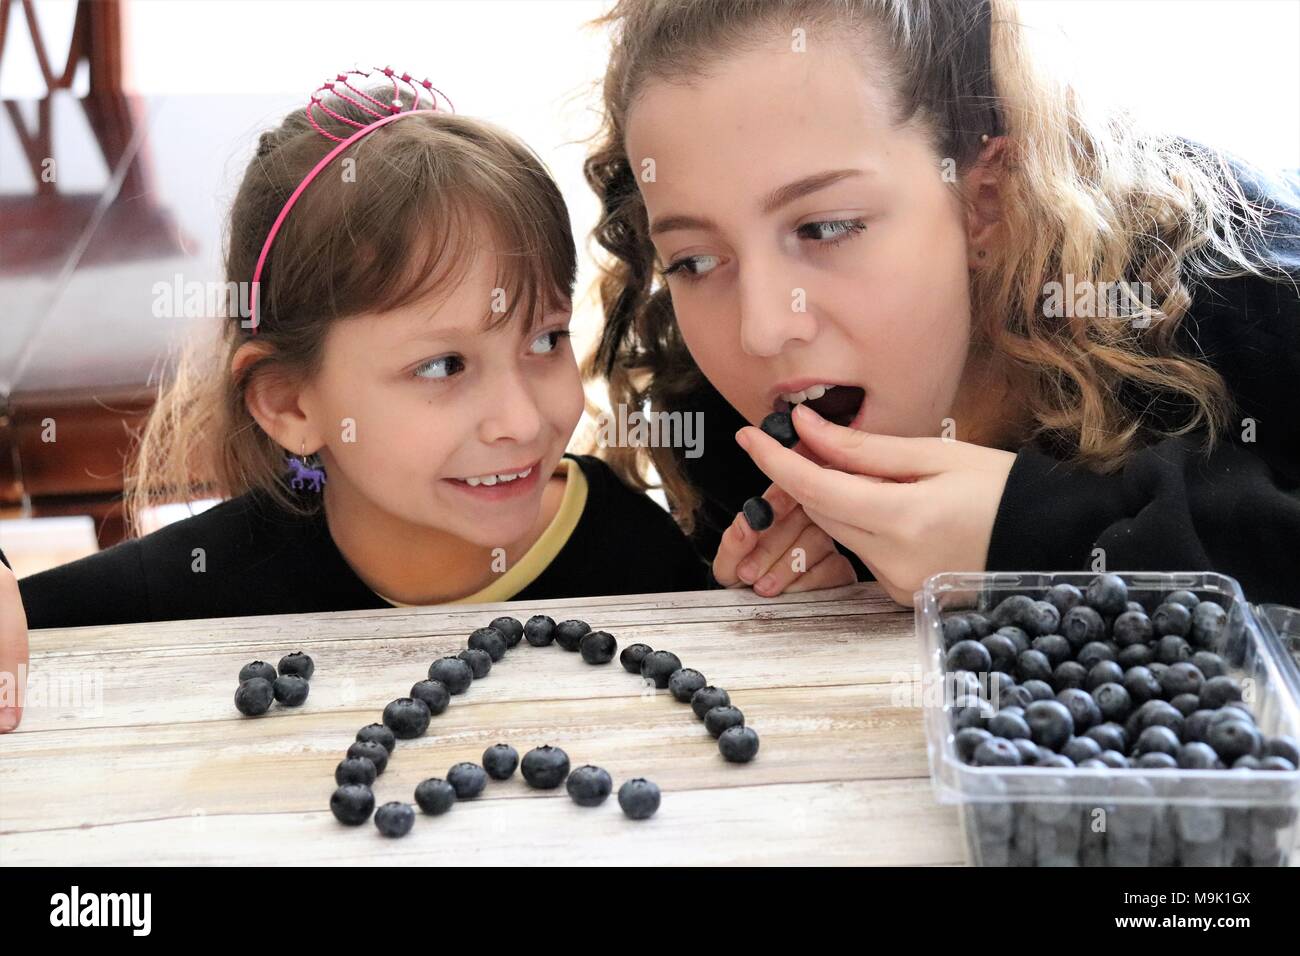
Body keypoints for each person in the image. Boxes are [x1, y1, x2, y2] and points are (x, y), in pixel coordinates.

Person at [0, 67, 708, 733]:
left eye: (547, 339)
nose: (522, 420)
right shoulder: (204, 577)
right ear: (290, 405)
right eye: (444, 365)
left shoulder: (637, 552)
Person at [582, 0, 1300, 608]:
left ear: (985, 202)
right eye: (696, 261)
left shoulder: (1248, 300)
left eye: (826, 227)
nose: (763, 330)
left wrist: (1027, 535)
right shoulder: (715, 421)